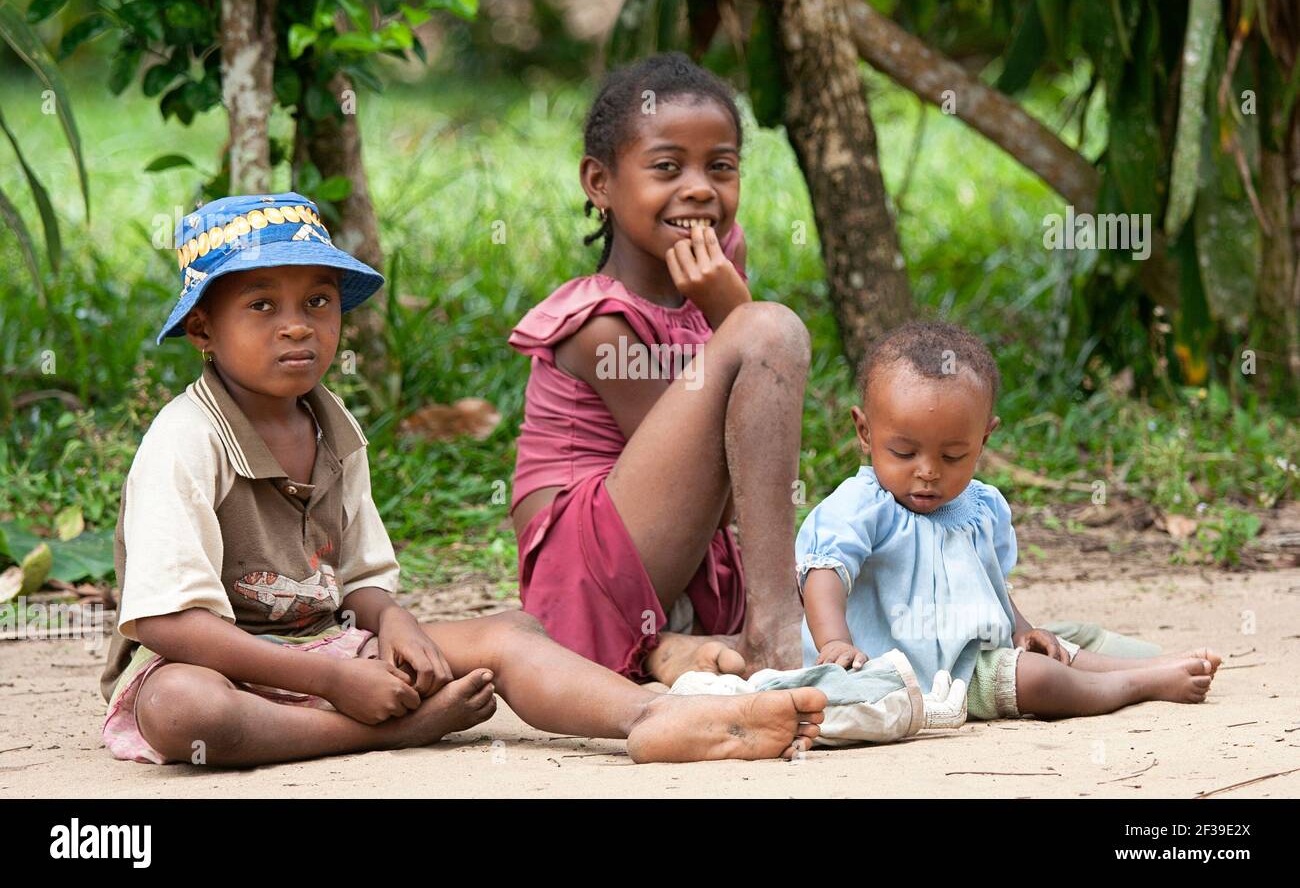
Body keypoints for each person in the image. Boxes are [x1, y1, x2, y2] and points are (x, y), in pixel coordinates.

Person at [98, 191, 826, 767]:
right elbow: (167, 622)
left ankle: (657, 718)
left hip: (324, 646)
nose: (298, 327)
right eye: (262, 306)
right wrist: (335, 684)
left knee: (512, 634)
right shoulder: (184, 442)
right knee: (183, 713)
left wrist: (392, 621)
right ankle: (382, 734)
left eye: (317, 302)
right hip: (219, 665)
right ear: (201, 329)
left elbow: (360, 581)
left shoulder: (332, 426)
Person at [509, 53, 808, 686]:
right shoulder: (599, 325)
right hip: (588, 582)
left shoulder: (724, 264)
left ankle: (674, 646)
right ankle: (774, 636)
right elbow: (721, 491)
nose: (700, 189)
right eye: (666, 167)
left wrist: (731, 305)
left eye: (721, 167)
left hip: (672, 565)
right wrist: (735, 312)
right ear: (600, 183)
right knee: (771, 328)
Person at [796, 319, 1221, 720]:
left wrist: (1023, 631)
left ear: (984, 438)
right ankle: (1139, 684)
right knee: (1039, 678)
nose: (927, 471)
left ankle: (1157, 665)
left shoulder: (982, 507)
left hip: (977, 657)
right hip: (909, 675)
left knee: (1053, 653)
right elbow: (825, 571)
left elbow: (991, 586)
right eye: (904, 453)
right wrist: (834, 642)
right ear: (865, 431)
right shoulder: (862, 504)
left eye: (952, 456)